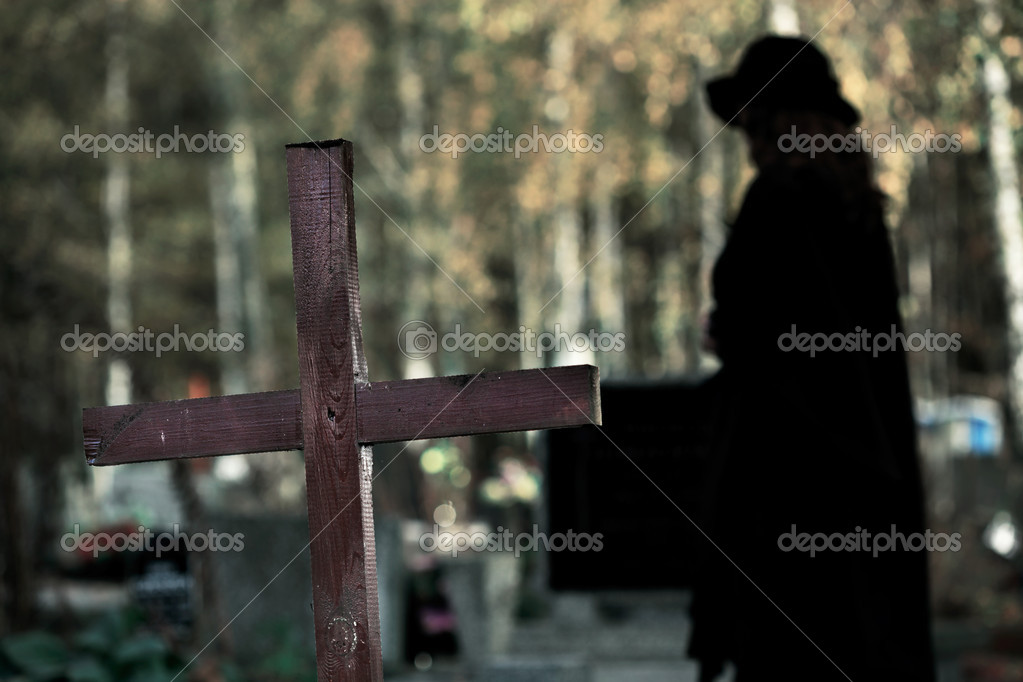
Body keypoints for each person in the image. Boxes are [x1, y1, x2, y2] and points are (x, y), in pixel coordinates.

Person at [688, 36, 937, 681]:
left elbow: (759, 334)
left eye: (751, 121)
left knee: (789, 653)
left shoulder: (779, 199)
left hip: (786, 484)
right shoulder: (858, 208)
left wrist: (724, 332)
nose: (745, 138)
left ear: (774, 120)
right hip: (861, 483)